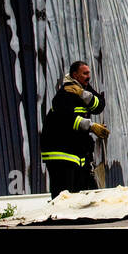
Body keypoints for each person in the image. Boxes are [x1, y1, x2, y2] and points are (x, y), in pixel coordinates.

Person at [39, 60, 109, 195]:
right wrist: (92, 126)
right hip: (60, 152)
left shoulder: (82, 88)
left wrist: (82, 94)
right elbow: (67, 119)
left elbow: (100, 105)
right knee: (63, 195)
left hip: (75, 153)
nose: (88, 76)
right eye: (85, 73)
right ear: (75, 75)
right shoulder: (64, 94)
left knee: (78, 193)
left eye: (89, 73)